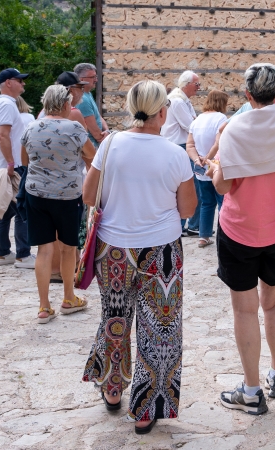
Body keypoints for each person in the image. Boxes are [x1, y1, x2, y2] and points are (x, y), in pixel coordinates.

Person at [82, 80, 196, 434]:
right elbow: (187, 209)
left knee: (115, 316)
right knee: (160, 327)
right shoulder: (175, 154)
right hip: (161, 251)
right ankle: (147, 408)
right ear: (162, 111)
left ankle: (113, 389)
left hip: (113, 249)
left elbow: (88, 195)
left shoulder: (110, 144)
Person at [207, 64, 275, 414]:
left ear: (247, 94)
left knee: (245, 309)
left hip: (239, 229)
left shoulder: (234, 129)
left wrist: (215, 168)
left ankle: (251, 391)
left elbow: (223, 186)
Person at [22, 84, 94, 324]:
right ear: (65, 104)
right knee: (68, 248)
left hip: (37, 194)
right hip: (67, 196)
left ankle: (44, 306)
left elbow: (25, 160)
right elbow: (91, 155)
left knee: (44, 249)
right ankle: (68, 298)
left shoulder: (31, 127)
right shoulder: (74, 128)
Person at [0, 68, 33, 269]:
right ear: (8, 82)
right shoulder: (7, 104)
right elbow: (3, 135)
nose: (23, 84)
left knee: (6, 210)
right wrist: (10, 162)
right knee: (23, 210)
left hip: (3, 165)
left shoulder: (0, 103)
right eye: (19, 80)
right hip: (12, 166)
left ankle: (4, 253)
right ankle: (23, 255)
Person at [186, 90, 229, 247]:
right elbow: (218, 142)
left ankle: (203, 236)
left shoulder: (197, 120)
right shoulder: (221, 118)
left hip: (201, 169)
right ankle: (225, 235)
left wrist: (198, 160)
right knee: (223, 202)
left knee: (206, 203)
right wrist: (208, 158)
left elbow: (190, 145)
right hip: (216, 167)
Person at [162, 71, 201, 233]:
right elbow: (190, 125)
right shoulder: (178, 101)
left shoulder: (182, 99)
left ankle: (190, 224)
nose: (199, 87)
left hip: (180, 144)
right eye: (196, 84)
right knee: (192, 185)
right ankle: (190, 225)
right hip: (181, 145)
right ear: (186, 84)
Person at [73, 62, 108, 146]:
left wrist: (107, 131)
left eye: (96, 76)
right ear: (81, 79)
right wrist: (105, 137)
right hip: (91, 145)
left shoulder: (87, 94)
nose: (96, 80)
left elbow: (98, 116)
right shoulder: (83, 99)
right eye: (92, 77)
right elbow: (96, 134)